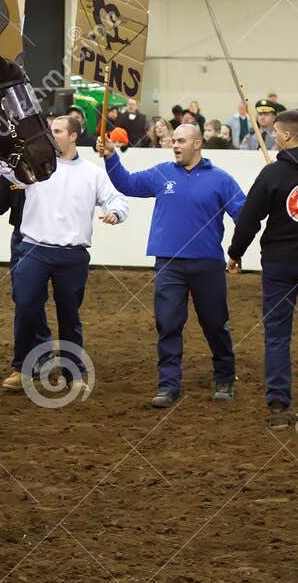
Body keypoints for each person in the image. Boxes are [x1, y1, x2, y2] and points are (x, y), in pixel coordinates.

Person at [98, 124, 245, 408]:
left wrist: (238, 248)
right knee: (168, 324)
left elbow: (244, 214)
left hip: (207, 263)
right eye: (173, 140)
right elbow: (126, 184)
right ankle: (168, 385)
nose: (175, 145)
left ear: (198, 144)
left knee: (215, 324)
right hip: (169, 263)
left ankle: (225, 377)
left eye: (181, 141)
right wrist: (111, 157)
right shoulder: (161, 173)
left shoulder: (221, 180)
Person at [227, 110, 298, 430]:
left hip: (278, 263)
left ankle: (278, 407)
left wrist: (235, 253)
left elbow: (250, 219)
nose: (273, 137)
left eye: (276, 133)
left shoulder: (272, 175)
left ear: (288, 136)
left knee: (277, 332)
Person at [3, 116, 127, 394]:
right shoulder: (34, 166)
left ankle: (74, 371)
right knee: (26, 307)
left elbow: (117, 199)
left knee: (69, 315)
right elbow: (7, 168)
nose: (51, 134)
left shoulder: (92, 173)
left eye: (56, 131)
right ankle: (22, 368)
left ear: (73, 136)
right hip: (34, 249)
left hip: (72, 255)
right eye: (49, 130)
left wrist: (116, 212)